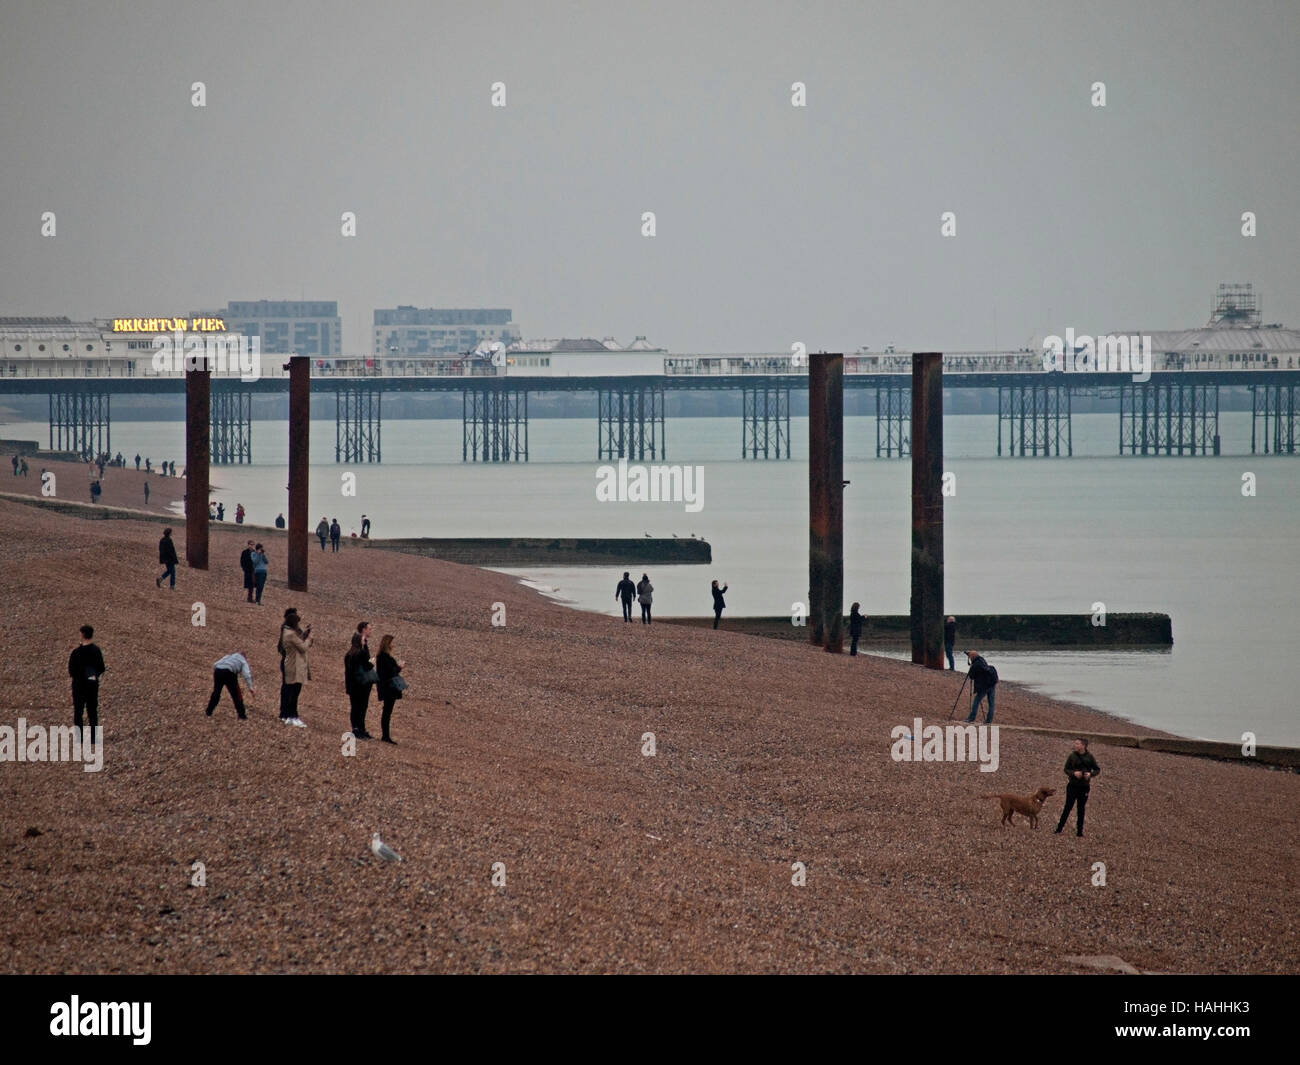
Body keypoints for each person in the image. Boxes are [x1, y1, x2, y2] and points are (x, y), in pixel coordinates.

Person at [1055, 738, 1101, 837]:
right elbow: (1066, 769)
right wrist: (1074, 773)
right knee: (1068, 807)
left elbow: (1097, 769)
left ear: (1083, 745)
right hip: (1072, 786)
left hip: (1084, 787)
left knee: (1081, 809)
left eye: (1077, 743)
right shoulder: (1072, 756)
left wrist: (1090, 774)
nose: (1075, 745)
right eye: (1075, 743)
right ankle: (1059, 828)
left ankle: (1079, 831)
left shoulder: (1090, 757)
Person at [68, 624, 106, 741]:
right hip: (92, 686)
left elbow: (71, 670)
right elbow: (101, 667)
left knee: (78, 711)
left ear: (82, 635)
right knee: (92, 711)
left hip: (79, 686)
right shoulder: (96, 651)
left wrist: (78, 677)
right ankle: (94, 738)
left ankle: (79, 738)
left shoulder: (76, 652)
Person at [278, 608, 312, 727]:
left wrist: (303, 636)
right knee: (292, 691)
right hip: (293, 664)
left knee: (288, 690)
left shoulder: (287, 631)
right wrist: (308, 639)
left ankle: (287, 714)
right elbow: (302, 647)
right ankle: (290, 714)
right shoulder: (290, 633)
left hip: (290, 662)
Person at [205, 651, 255, 718]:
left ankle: (209, 711)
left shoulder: (228, 656)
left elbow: (215, 664)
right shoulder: (243, 661)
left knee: (216, 692)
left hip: (218, 670)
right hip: (229, 672)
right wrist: (250, 688)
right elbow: (247, 675)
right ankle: (242, 715)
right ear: (245, 657)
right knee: (237, 695)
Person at [344, 630, 375, 739]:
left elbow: (348, 672)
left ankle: (356, 728)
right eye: (363, 640)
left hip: (353, 685)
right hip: (362, 685)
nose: (364, 641)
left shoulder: (349, 654)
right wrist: (372, 662)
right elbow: (367, 667)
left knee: (355, 707)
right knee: (361, 707)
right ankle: (360, 729)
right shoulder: (361, 653)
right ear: (359, 641)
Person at [375, 634, 404, 744]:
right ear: (387, 644)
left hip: (387, 687)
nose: (393, 645)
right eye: (392, 642)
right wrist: (399, 667)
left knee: (387, 711)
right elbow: (390, 672)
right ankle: (385, 736)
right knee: (387, 712)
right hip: (388, 688)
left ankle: (386, 735)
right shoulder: (384, 657)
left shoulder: (382, 656)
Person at [964, 649, 998, 724]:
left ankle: (971, 718)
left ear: (972, 657)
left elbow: (971, 676)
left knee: (976, 701)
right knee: (991, 703)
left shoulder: (975, 664)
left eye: (970, 657)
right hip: (991, 684)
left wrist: (972, 667)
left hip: (984, 686)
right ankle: (988, 721)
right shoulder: (982, 660)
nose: (969, 658)